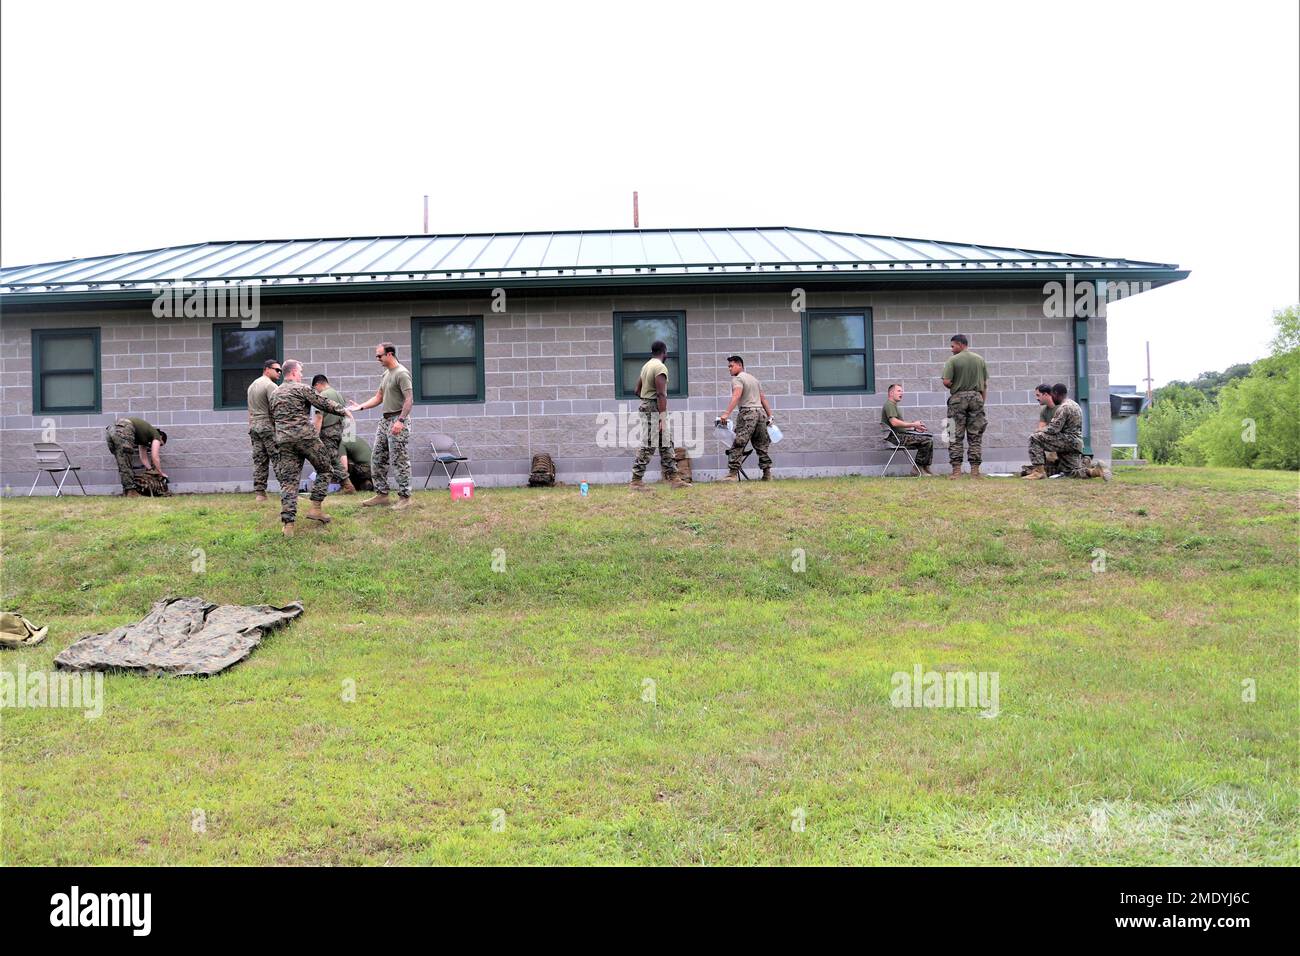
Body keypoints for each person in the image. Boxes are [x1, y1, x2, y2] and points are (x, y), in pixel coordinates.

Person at [269, 359, 354, 535]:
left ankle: (288, 525)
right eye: (300, 372)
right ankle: (315, 508)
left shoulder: (275, 393)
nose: (301, 375)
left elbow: (273, 418)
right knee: (326, 469)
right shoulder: (302, 388)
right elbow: (322, 402)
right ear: (292, 372)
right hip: (306, 438)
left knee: (289, 482)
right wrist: (344, 410)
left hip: (284, 440)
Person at [348, 342, 414, 510]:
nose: (377, 358)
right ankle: (382, 495)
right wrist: (360, 407)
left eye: (379, 355)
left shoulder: (402, 373)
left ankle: (405, 497)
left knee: (399, 460)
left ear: (390, 354)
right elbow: (379, 397)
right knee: (377, 458)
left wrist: (400, 421)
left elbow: (409, 400)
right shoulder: (386, 374)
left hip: (398, 420)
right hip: (385, 421)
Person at [629, 340, 687, 490]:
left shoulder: (646, 366)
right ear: (664, 352)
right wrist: (661, 417)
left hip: (648, 405)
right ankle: (636, 481)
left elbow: (637, 390)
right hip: (655, 408)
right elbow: (661, 394)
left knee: (666, 442)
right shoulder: (660, 367)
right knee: (649, 444)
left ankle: (674, 479)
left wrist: (646, 402)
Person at [1025, 383, 1108, 480]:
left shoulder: (1064, 407)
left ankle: (1039, 472)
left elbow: (1053, 429)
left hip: (1067, 441)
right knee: (1070, 472)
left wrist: (1039, 430)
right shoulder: (1075, 405)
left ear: (1056, 393)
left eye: (1052, 395)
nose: (1051, 397)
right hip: (1076, 443)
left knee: (1034, 438)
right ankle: (1095, 471)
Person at [718, 355, 774, 481]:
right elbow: (763, 399)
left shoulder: (738, 379)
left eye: (731, 366)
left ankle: (732, 474)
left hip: (747, 414)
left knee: (738, 443)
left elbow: (736, 396)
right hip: (760, 414)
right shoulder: (754, 379)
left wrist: (726, 413)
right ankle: (767, 474)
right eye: (729, 366)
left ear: (739, 365)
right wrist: (770, 416)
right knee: (761, 445)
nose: (729, 369)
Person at [940, 333, 989, 479]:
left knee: (954, 434)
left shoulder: (952, 360)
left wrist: (957, 385)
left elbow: (946, 381)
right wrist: (981, 401)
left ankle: (956, 471)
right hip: (976, 398)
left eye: (952, 346)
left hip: (957, 399)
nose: (951, 349)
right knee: (975, 435)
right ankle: (975, 471)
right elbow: (984, 384)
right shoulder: (980, 360)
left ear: (960, 345)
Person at [312, 374, 355, 494]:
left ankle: (347, 485)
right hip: (338, 430)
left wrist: (315, 436)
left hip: (327, 431)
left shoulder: (322, 395)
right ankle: (324, 487)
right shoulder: (338, 395)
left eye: (315, 388)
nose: (316, 391)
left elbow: (319, 417)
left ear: (318, 384)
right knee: (329, 458)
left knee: (332, 458)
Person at [880, 383, 934, 476]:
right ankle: (917, 469)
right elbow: (894, 422)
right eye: (899, 391)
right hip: (895, 438)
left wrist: (915, 428)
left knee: (928, 438)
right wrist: (913, 424)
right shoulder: (889, 405)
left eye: (902, 391)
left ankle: (925, 468)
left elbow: (899, 425)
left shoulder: (893, 405)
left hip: (900, 436)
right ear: (891, 393)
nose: (902, 393)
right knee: (926, 441)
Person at [105, 417, 167, 497]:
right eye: (160, 444)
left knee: (123, 463)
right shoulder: (157, 435)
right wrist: (160, 472)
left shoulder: (144, 437)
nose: (159, 445)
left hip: (111, 429)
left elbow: (143, 457)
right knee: (125, 462)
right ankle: (131, 492)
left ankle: (127, 491)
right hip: (125, 428)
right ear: (161, 438)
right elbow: (155, 456)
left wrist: (150, 469)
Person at [247, 359, 281, 501]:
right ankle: (288, 490)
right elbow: (276, 409)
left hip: (254, 426)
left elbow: (249, 410)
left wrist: (251, 425)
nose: (279, 373)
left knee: (259, 460)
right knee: (279, 458)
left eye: (280, 370)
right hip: (267, 426)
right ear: (267, 369)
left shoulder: (252, 385)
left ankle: (260, 493)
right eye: (276, 370)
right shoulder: (270, 385)